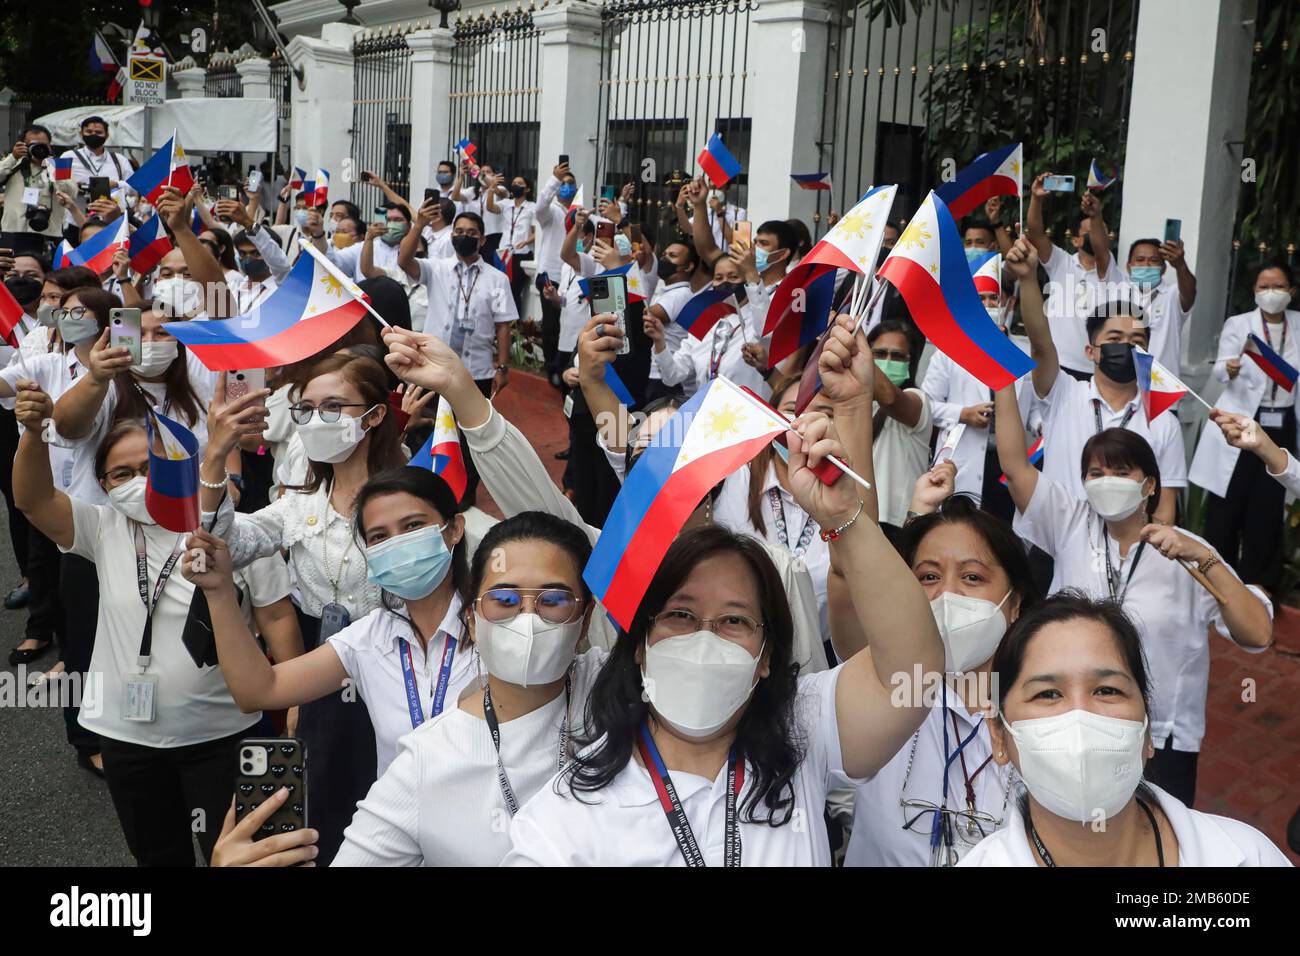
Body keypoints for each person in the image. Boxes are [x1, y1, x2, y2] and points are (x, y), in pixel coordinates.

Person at [500, 407, 945, 865]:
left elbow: (912, 675)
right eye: (681, 615)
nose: (704, 637)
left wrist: (845, 516)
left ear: (767, 655)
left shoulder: (804, 731)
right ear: (640, 647)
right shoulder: (562, 817)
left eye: (734, 621)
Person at [383, 322, 830, 676]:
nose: (657, 464)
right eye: (645, 452)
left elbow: (805, 696)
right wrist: (461, 388)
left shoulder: (775, 571)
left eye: (673, 450)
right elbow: (529, 489)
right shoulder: (604, 556)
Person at [213, 510, 609, 867]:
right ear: (472, 619)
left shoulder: (614, 691)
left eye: (553, 600)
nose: (527, 619)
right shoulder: (425, 760)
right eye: (504, 599)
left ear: (585, 619)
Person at [10, 389, 286, 865]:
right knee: (157, 856)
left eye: (151, 468)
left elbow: (272, 610)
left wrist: (216, 456)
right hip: (125, 737)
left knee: (249, 859)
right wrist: (34, 435)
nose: (139, 481)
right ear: (104, 484)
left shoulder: (220, 529)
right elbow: (32, 499)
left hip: (223, 734)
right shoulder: (101, 528)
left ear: (178, 469)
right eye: (122, 473)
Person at [994, 382, 1273, 805]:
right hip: (1074, 720)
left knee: (1156, 836)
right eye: (1095, 473)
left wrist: (1204, 559)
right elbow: (1015, 466)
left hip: (1160, 734)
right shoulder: (1069, 522)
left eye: (1122, 473)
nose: (1107, 482)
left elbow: (1257, 634)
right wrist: (1001, 382)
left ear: (1149, 487)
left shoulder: (1187, 551)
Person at [198, 351, 406, 863]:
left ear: (374, 416)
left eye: (334, 407)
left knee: (401, 798)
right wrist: (214, 458)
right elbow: (224, 540)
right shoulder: (299, 503)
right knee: (330, 803)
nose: (316, 421)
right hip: (323, 676)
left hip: (403, 670)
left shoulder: (407, 502)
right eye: (307, 409)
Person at [183, 466, 479, 783]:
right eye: (379, 536)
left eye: (413, 525)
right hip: (401, 822)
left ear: (454, 529)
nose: (398, 543)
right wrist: (219, 593)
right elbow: (259, 690)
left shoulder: (497, 626)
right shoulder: (369, 636)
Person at [959, 591, 1290, 867]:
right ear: (999, 736)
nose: (1081, 715)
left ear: (1147, 732)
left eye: (1107, 690)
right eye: (1047, 694)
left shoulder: (1249, 856)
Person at [845, 464, 1040, 866]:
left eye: (972, 577)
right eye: (928, 576)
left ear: (1015, 603)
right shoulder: (885, 687)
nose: (947, 594)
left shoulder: (1045, 709)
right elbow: (847, 574)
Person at [1008, 236, 1184, 524]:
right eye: (1114, 339)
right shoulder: (1063, 393)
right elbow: (1041, 344)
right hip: (1055, 543)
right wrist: (1028, 279)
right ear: (1091, 351)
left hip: (1124, 553)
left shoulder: (1165, 423)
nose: (1126, 346)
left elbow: (1164, 512)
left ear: (1147, 353)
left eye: (1136, 340)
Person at [1190, 264, 1298, 590]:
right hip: (1244, 424)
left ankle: (1259, 589)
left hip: (1280, 424)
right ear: (1254, 290)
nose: (1270, 292)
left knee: (1267, 504)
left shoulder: (1298, 324)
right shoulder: (1239, 324)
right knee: (1231, 498)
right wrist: (1231, 367)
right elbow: (1221, 369)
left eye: (1277, 285)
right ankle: (1218, 585)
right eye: (1263, 286)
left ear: (1291, 291)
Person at [921, 253, 1027, 518]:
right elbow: (925, 406)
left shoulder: (1025, 353)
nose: (988, 304)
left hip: (1011, 465)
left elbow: (1036, 408)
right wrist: (963, 414)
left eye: (995, 299)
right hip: (962, 460)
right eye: (981, 299)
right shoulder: (948, 351)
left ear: (1009, 303)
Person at [1026, 174, 1116, 379]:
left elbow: (1101, 250)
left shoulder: (1111, 270)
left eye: (1100, 230)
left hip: (1096, 369)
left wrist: (1096, 216)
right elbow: (1036, 233)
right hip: (1058, 365)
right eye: (1089, 231)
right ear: (1075, 240)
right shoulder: (1061, 262)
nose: (1095, 234)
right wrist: (1036, 199)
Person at [866, 319, 932, 533]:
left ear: (910, 362)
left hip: (898, 523)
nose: (888, 360)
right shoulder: (854, 401)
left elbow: (890, 398)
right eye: (880, 353)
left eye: (897, 356)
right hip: (859, 517)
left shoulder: (917, 400)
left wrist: (856, 348)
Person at [1118, 234, 1197, 376]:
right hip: (1126, 383)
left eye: (1153, 261)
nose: (1146, 265)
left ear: (1163, 269)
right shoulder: (1118, 295)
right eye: (1140, 260)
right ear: (1129, 267)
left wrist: (1180, 264)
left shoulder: (1172, 295)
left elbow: (1190, 292)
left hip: (1161, 386)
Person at [533, 161, 582, 385]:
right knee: (552, 325)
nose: (566, 187)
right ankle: (552, 367)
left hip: (571, 276)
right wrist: (553, 179)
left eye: (570, 183)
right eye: (563, 183)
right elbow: (540, 206)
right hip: (549, 275)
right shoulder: (551, 211)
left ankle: (569, 365)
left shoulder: (579, 212)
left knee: (570, 323)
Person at [1, 125, 79, 250]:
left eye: (44, 144)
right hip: (14, 232)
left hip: (49, 233)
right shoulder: (13, 163)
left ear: (49, 145)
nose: (40, 148)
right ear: (23, 145)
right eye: (33, 144)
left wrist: (53, 168)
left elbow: (71, 193)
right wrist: (13, 157)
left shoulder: (59, 166)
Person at [492, 173, 536, 315]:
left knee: (514, 289)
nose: (515, 186)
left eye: (520, 184)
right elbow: (490, 207)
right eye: (514, 183)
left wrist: (526, 241)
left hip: (521, 253)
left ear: (527, 189)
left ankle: (514, 324)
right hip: (503, 253)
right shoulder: (506, 204)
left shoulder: (532, 207)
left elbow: (537, 232)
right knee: (500, 288)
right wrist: (491, 188)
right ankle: (499, 319)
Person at [59, 116, 134, 195]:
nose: (93, 135)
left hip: (111, 206)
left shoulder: (120, 160)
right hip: (77, 206)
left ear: (107, 135)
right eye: (89, 131)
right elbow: (58, 185)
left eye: (98, 132)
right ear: (81, 133)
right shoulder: (66, 157)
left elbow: (134, 187)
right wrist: (77, 187)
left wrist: (116, 184)